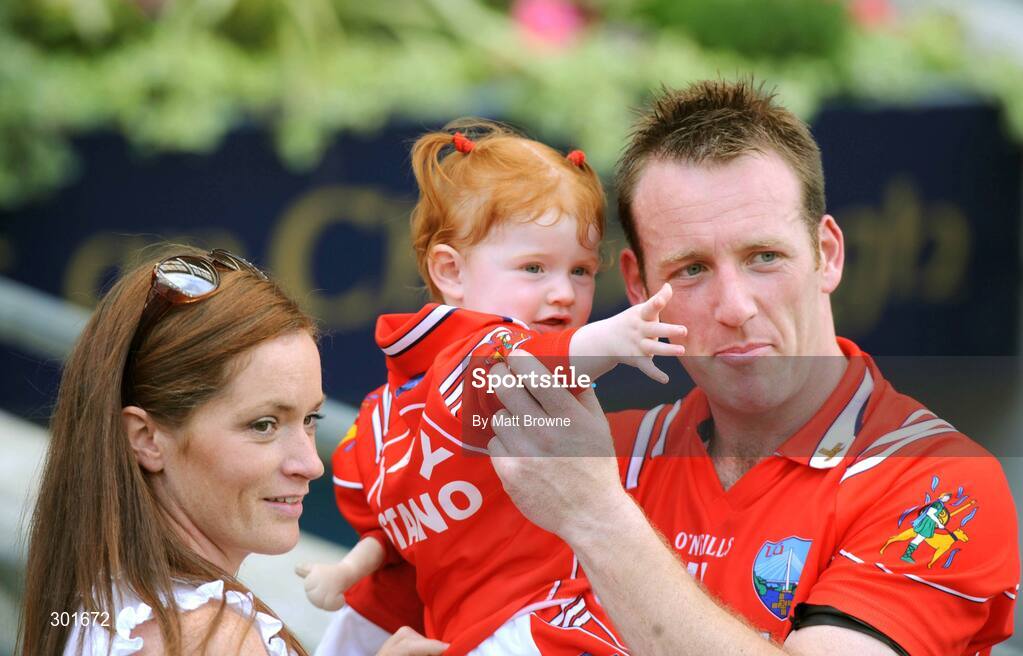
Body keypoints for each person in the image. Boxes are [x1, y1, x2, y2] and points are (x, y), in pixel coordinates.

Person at [326, 80, 1020, 656]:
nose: (734, 306)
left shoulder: (936, 485)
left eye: (764, 257)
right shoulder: (601, 449)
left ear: (827, 254)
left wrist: (599, 520)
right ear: (636, 287)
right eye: (690, 270)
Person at [297, 120, 686, 656]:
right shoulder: (459, 366)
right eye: (534, 267)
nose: (563, 293)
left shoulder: (396, 402)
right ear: (450, 272)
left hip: (536, 616)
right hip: (514, 625)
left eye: (580, 270)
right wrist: (614, 337)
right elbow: (525, 365)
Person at [18, 246, 326, 656]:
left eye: (311, 420)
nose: (311, 464)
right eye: (264, 425)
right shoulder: (210, 638)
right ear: (146, 438)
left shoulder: (105, 608)